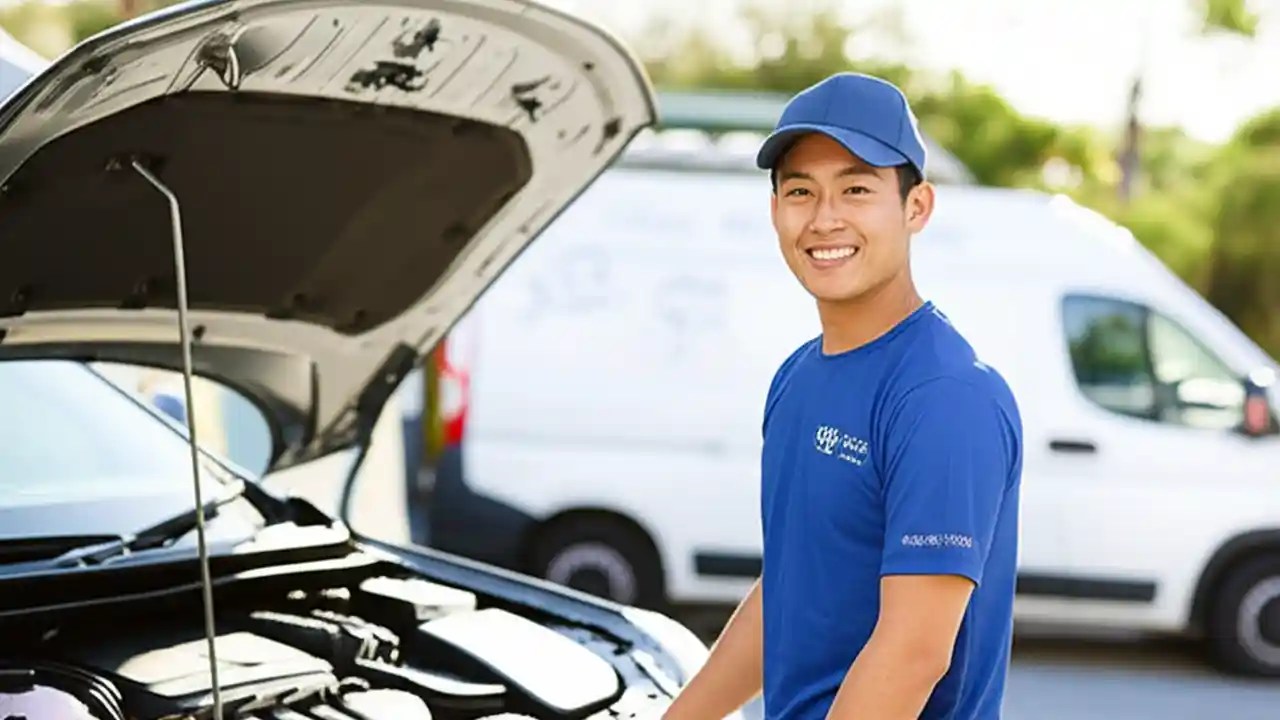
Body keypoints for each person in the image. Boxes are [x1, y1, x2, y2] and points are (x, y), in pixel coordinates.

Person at [663, 73, 1023, 720]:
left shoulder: (946, 396)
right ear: (776, 211)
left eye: (856, 189)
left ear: (916, 208)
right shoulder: (799, 378)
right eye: (801, 191)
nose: (824, 218)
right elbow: (790, 594)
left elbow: (913, 654)